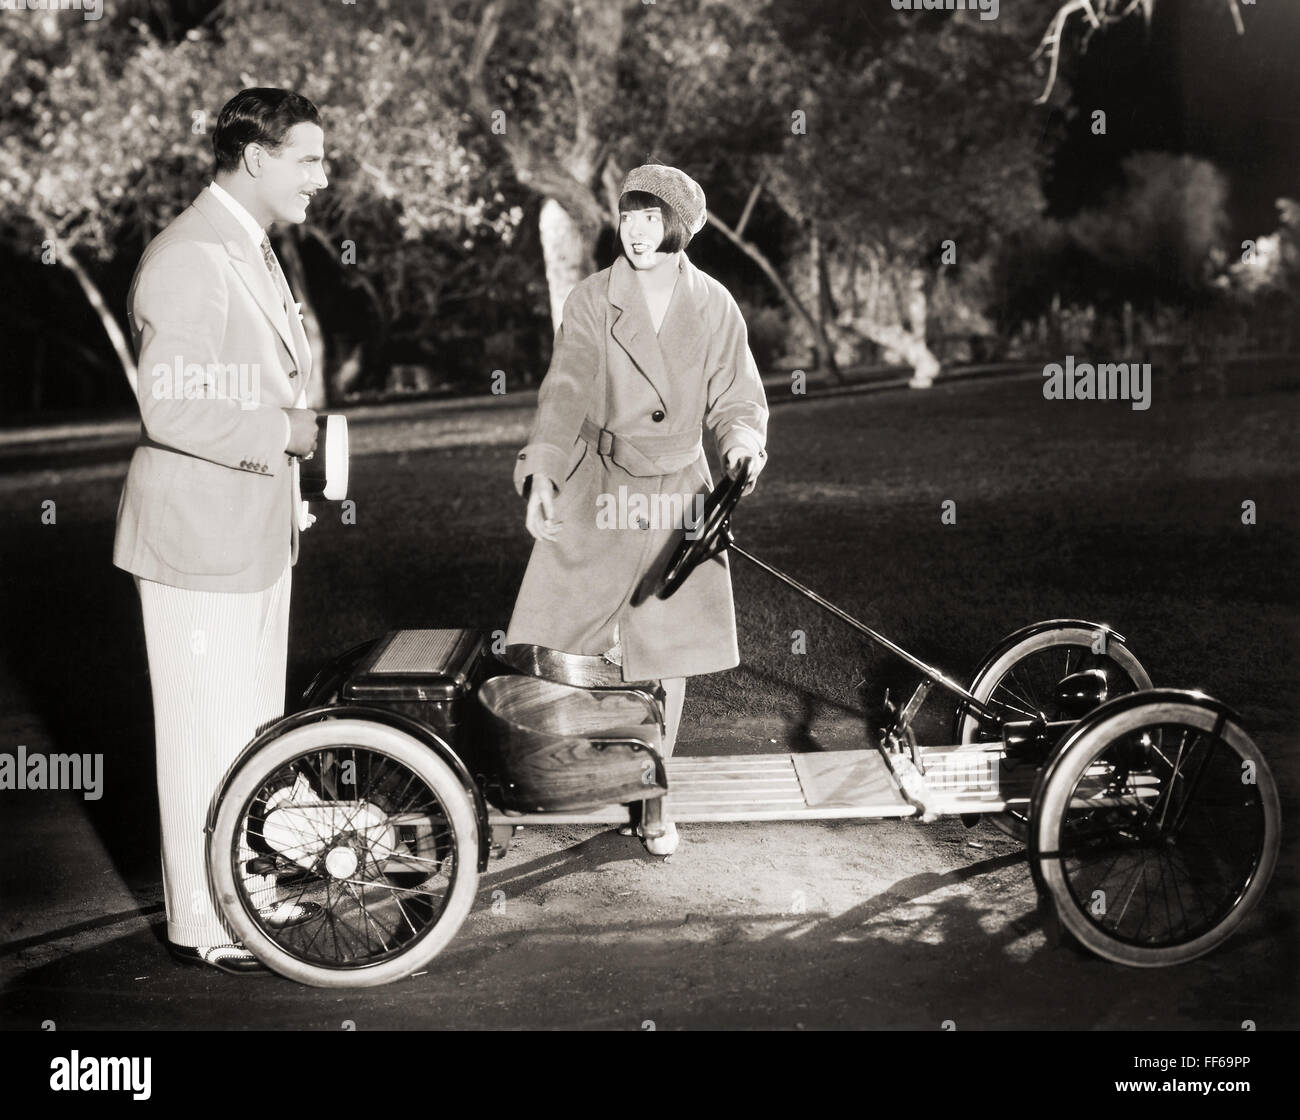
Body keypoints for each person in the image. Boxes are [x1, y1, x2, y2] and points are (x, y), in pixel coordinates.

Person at [114, 88, 328, 973]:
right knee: (206, 733)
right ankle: (207, 921)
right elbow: (171, 406)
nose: (323, 177)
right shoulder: (189, 256)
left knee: (245, 730)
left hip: (250, 537)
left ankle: (247, 889)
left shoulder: (248, 248)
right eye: (309, 159)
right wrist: (282, 434)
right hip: (196, 543)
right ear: (256, 158)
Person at [507, 164, 769, 856]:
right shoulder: (594, 298)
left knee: (665, 649)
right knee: (563, 637)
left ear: (679, 226)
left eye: (653, 218)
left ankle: (654, 795)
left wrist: (742, 447)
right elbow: (564, 389)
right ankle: (549, 775)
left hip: (679, 489)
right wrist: (544, 470)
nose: (638, 231)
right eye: (629, 216)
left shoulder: (714, 305)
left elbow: (737, 398)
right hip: (601, 484)